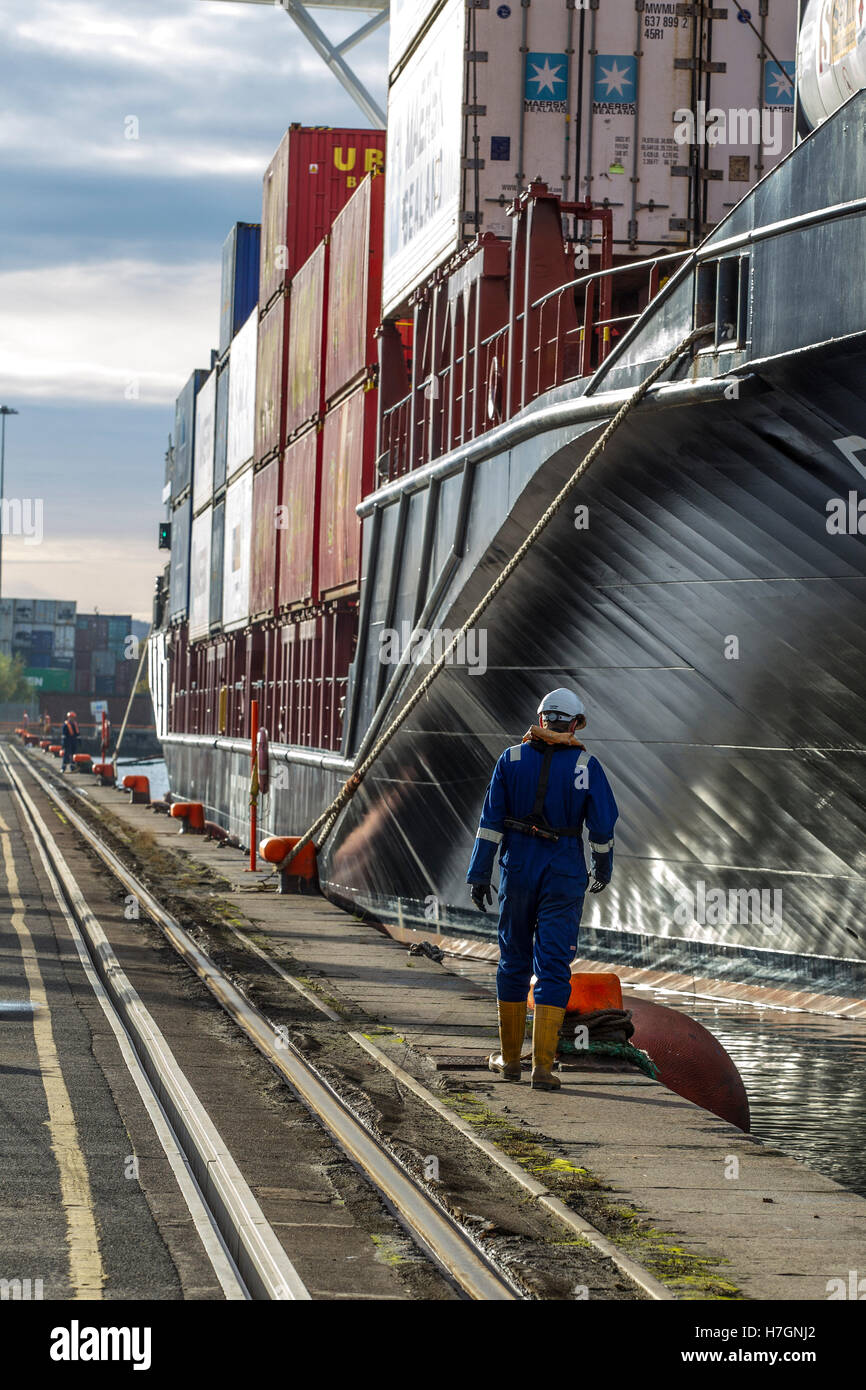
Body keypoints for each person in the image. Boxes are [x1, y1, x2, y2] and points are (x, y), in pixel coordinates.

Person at [466, 689, 619, 1091]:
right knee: (553, 965)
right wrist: (602, 865)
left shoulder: (510, 759)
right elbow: (602, 827)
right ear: (574, 724)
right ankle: (544, 1068)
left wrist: (478, 874)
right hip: (565, 870)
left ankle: (511, 1061)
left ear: (541, 720)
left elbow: (490, 822)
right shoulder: (587, 765)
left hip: (518, 869)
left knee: (513, 959)